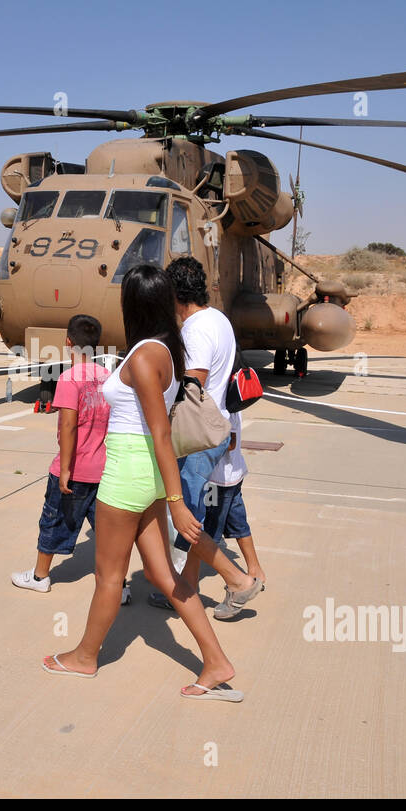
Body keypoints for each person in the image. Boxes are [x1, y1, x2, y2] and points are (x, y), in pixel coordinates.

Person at [41, 264, 253, 702]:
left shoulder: (143, 356)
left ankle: (84, 656)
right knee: (162, 573)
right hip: (148, 477)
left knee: (108, 576)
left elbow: (159, 431)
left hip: (128, 477)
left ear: (132, 304)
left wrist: (177, 502)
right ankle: (215, 662)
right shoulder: (165, 350)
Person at [148, 255, 263, 620]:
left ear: (174, 294)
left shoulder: (195, 328)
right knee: (198, 513)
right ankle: (185, 590)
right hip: (220, 427)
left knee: (183, 517)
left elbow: (194, 382)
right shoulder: (219, 319)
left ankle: (238, 581)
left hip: (199, 435)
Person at [11, 314, 129, 604]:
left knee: (53, 520)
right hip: (104, 470)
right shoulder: (108, 378)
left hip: (75, 469)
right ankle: (121, 586)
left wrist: (64, 469)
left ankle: (40, 577)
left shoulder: (68, 378)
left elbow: (68, 425)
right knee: (108, 532)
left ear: (68, 342)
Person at [196, 411, 266, 586]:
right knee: (239, 523)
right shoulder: (230, 402)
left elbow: (230, 442)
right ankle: (255, 570)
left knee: (204, 535)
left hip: (216, 480)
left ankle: (187, 584)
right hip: (232, 475)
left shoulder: (221, 407)